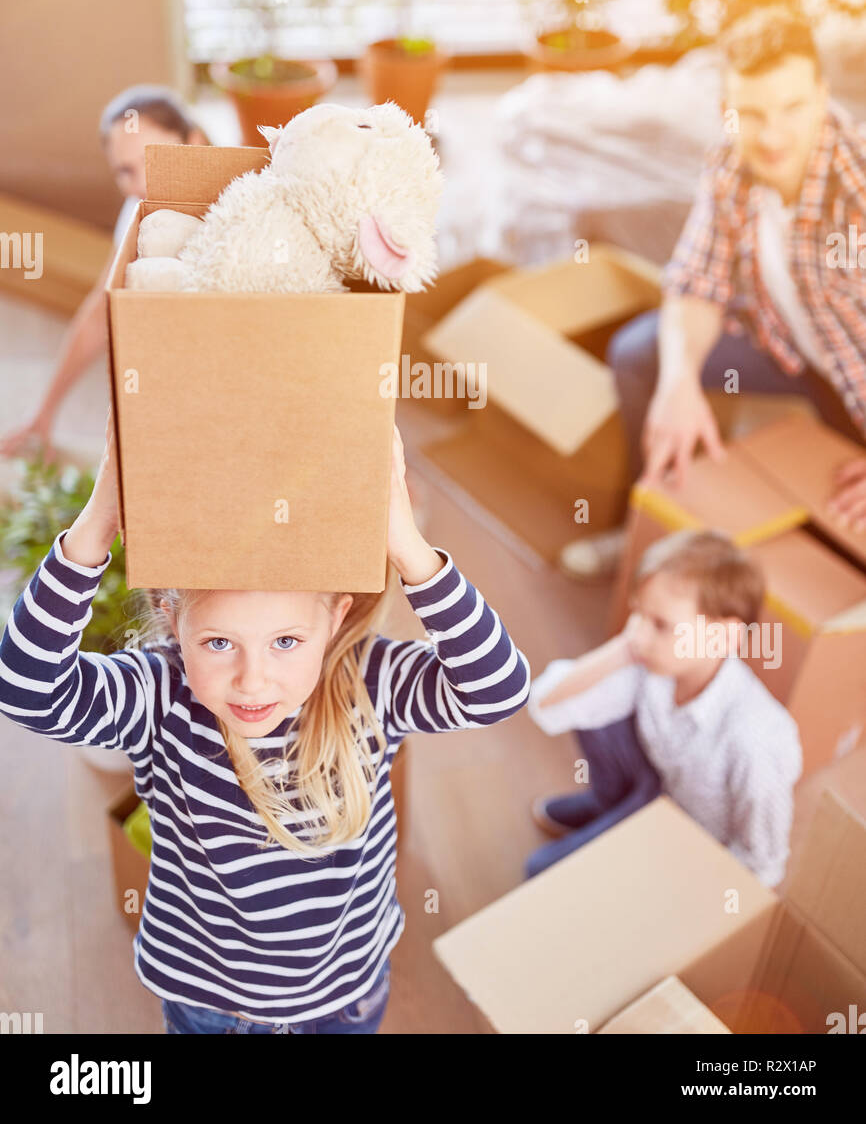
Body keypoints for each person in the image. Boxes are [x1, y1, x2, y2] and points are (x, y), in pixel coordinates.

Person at [0, 410, 530, 1033]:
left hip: (346, 996)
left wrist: (409, 549)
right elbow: (27, 688)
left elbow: (498, 689)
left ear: (336, 617)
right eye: (220, 644)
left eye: (286, 641)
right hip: (211, 1006)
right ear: (173, 620)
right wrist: (97, 524)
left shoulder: (369, 682)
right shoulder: (161, 693)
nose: (253, 680)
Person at [561, 4, 866, 578]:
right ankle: (643, 527)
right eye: (751, 113)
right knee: (642, 355)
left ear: (823, 96)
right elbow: (694, 283)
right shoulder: (730, 166)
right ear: (728, 111)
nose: (772, 135)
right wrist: (679, 385)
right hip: (788, 345)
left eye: (792, 108)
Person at [528, 530, 802, 886]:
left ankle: (622, 819)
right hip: (658, 786)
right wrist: (623, 650)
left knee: (539, 872)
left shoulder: (756, 739)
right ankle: (608, 803)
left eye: (660, 624)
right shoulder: (652, 662)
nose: (639, 635)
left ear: (723, 636)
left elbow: (763, 862)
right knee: (592, 696)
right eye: (638, 614)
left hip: (692, 838)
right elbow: (545, 702)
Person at [0, 86, 210, 462]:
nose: (141, 183)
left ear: (193, 142)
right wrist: (44, 414)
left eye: (152, 159)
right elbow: (101, 308)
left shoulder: (236, 202)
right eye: (125, 171)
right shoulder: (136, 208)